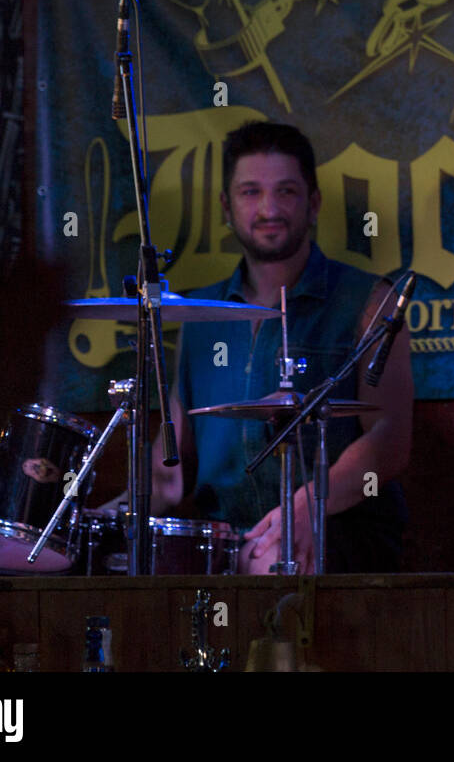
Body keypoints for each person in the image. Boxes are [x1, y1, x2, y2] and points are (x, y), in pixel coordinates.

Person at [151, 121, 412, 573]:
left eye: (286, 192)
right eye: (250, 192)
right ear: (226, 208)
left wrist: (310, 505)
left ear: (313, 204)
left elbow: (390, 438)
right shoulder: (196, 316)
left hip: (340, 538)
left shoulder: (369, 300)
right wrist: (101, 514)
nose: (269, 209)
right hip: (225, 546)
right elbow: (171, 473)